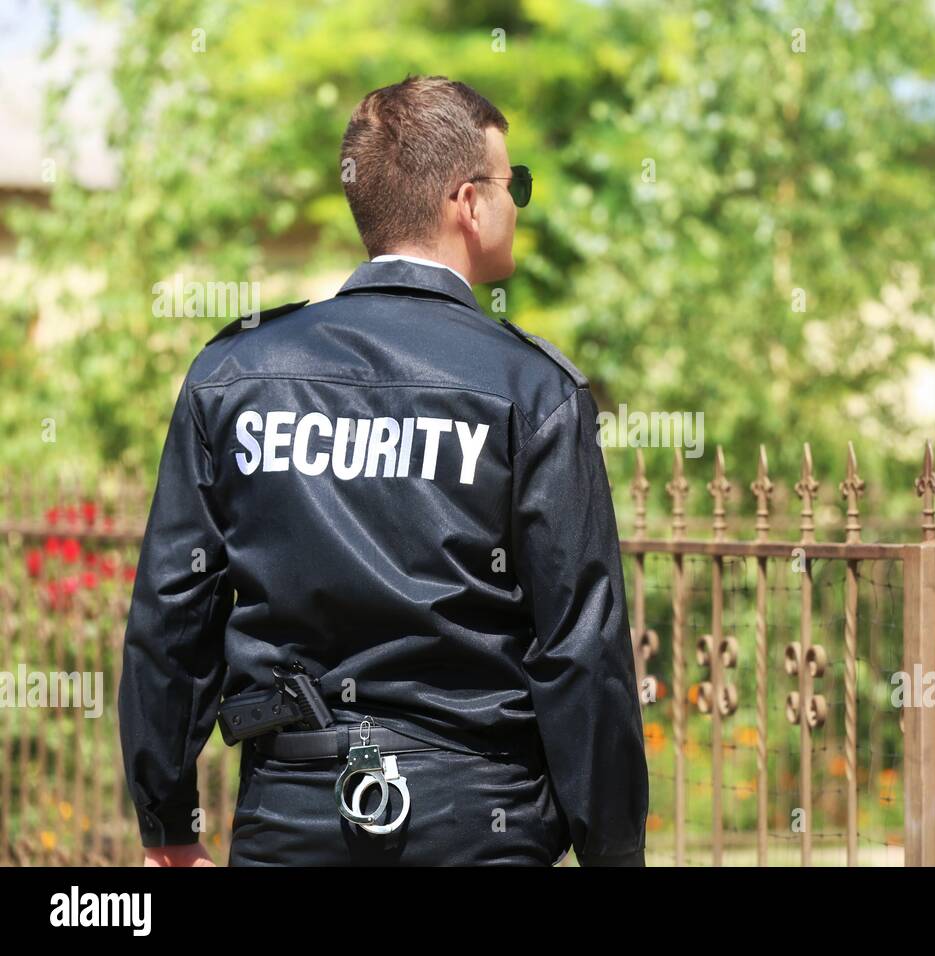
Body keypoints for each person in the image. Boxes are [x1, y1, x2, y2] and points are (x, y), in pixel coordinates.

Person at [117, 75, 649, 866]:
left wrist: (166, 816)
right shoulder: (532, 390)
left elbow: (172, 612)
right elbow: (580, 646)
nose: (517, 205)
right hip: (479, 823)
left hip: (289, 818)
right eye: (516, 186)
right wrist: (613, 851)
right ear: (468, 201)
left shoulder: (234, 373)